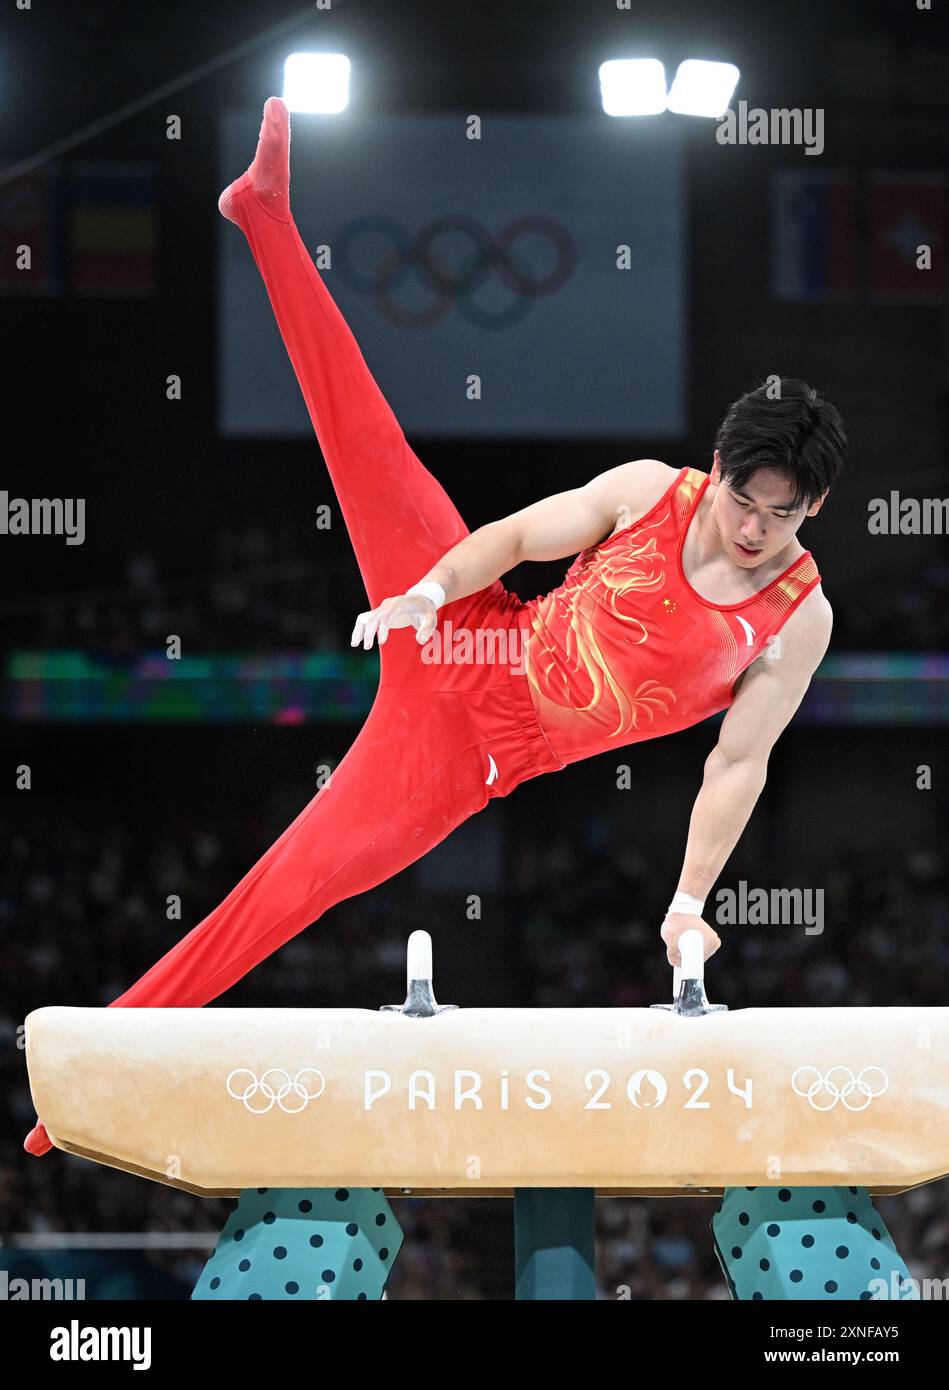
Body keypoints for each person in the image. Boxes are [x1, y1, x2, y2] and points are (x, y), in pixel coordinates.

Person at [24, 98, 844, 1159]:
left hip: (470, 753)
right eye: (746, 499)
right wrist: (424, 597)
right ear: (721, 470)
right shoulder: (653, 492)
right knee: (362, 434)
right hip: (467, 620)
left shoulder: (797, 617)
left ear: (813, 512)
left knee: (287, 887)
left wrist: (688, 903)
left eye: (782, 515)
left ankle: (88, 1077)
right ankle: (266, 215)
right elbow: (509, 538)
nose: (752, 528)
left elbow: (736, 764)